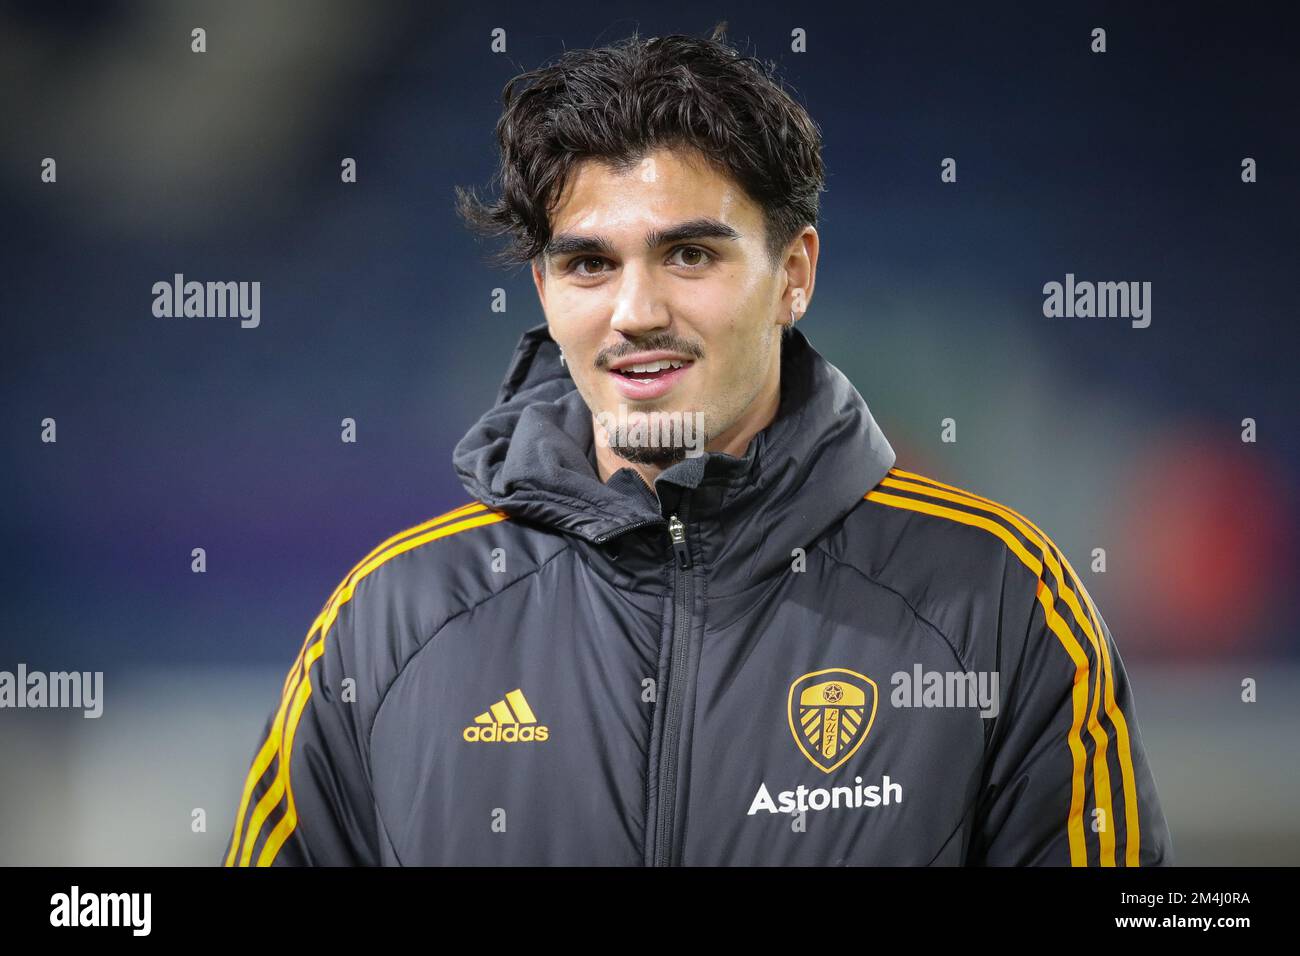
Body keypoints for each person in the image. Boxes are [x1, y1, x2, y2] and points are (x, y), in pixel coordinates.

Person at [223, 24, 1172, 866]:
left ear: (793, 273)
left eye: (690, 254)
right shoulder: (390, 621)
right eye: (589, 263)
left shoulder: (998, 598)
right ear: (546, 294)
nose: (637, 314)